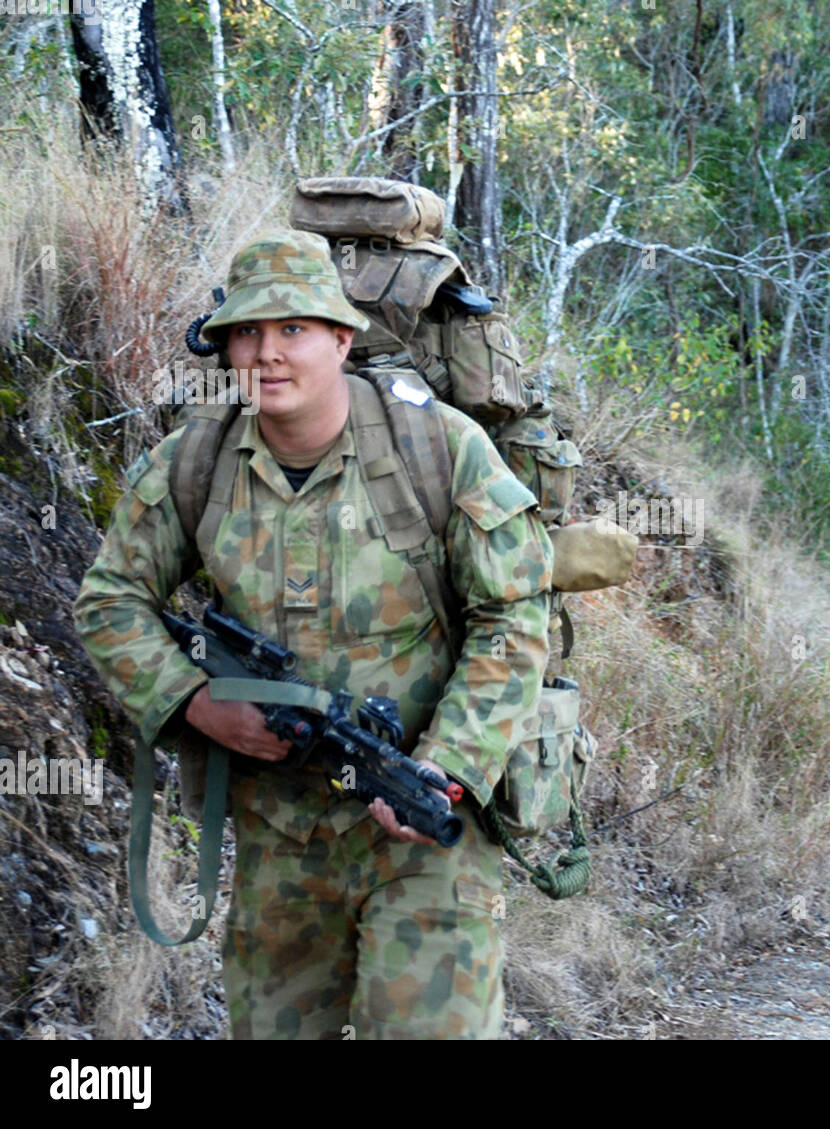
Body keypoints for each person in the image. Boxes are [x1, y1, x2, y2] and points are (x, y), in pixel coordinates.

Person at [74, 231, 553, 1039]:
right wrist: (192, 702)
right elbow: (110, 598)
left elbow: (514, 615)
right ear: (225, 345)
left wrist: (450, 765)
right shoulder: (197, 460)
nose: (268, 352)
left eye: (293, 328)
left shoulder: (435, 447)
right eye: (247, 332)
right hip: (279, 840)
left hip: (422, 831)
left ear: (340, 337)